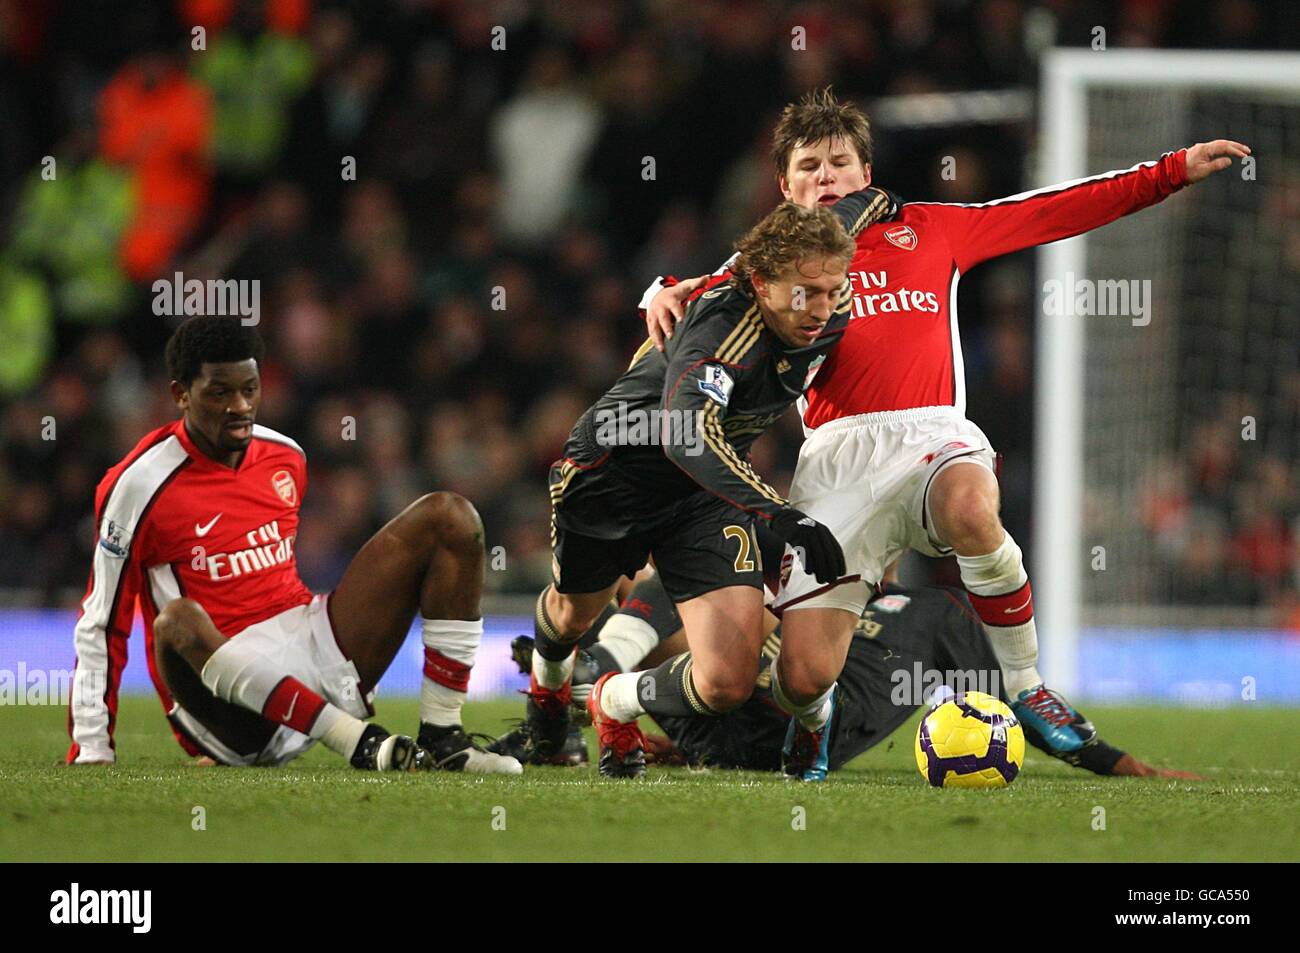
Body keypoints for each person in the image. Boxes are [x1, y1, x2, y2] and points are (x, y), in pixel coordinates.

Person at [641, 87, 1250, 779]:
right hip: (837, 466)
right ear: (785, 186)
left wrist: (1169, 172)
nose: (825, 177)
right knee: (805, 676)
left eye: (839, 162)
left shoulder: (930, 228)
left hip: (931, 436)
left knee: (969, 503)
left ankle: (1026, 688)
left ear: (864, 176)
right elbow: (697, 296)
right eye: (808, 167)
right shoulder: (767, 265)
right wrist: (657, 288)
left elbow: (1049, 210)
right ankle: (769, 722)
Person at [528, 193, 899, 778]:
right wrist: (783, 515)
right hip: (611, 475)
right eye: (805, 294)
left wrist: (884, 195)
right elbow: (686, 437)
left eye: (833, 290)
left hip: (699, 495)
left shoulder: (823, 280)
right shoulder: (721, 333)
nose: (823, 308)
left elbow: (860, 207)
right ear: (759, 284)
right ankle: (546, 694)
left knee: (726, 680)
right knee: (573, 615)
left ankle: (610, 699)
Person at [66, 315, 520, 774]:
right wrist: (92, 745)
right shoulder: (138, 485)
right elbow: (102, 620)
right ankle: (357, 742)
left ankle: (444, 737)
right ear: (181, 394)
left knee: (450, 516)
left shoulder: (286, 456)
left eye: (250, 389)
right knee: (177, 621)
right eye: (219, 393)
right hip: (227, 699)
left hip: (311, 647)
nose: (240, 406)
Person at [499, 559, 1201, 781]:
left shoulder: (934, 615)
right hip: (722, 722)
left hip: (796, 728)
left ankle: (593, 680)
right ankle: (579, 685)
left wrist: (1119, 763)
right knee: (687, 574)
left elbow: (1020, 700)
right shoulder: (808, 592)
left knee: (709, 582)